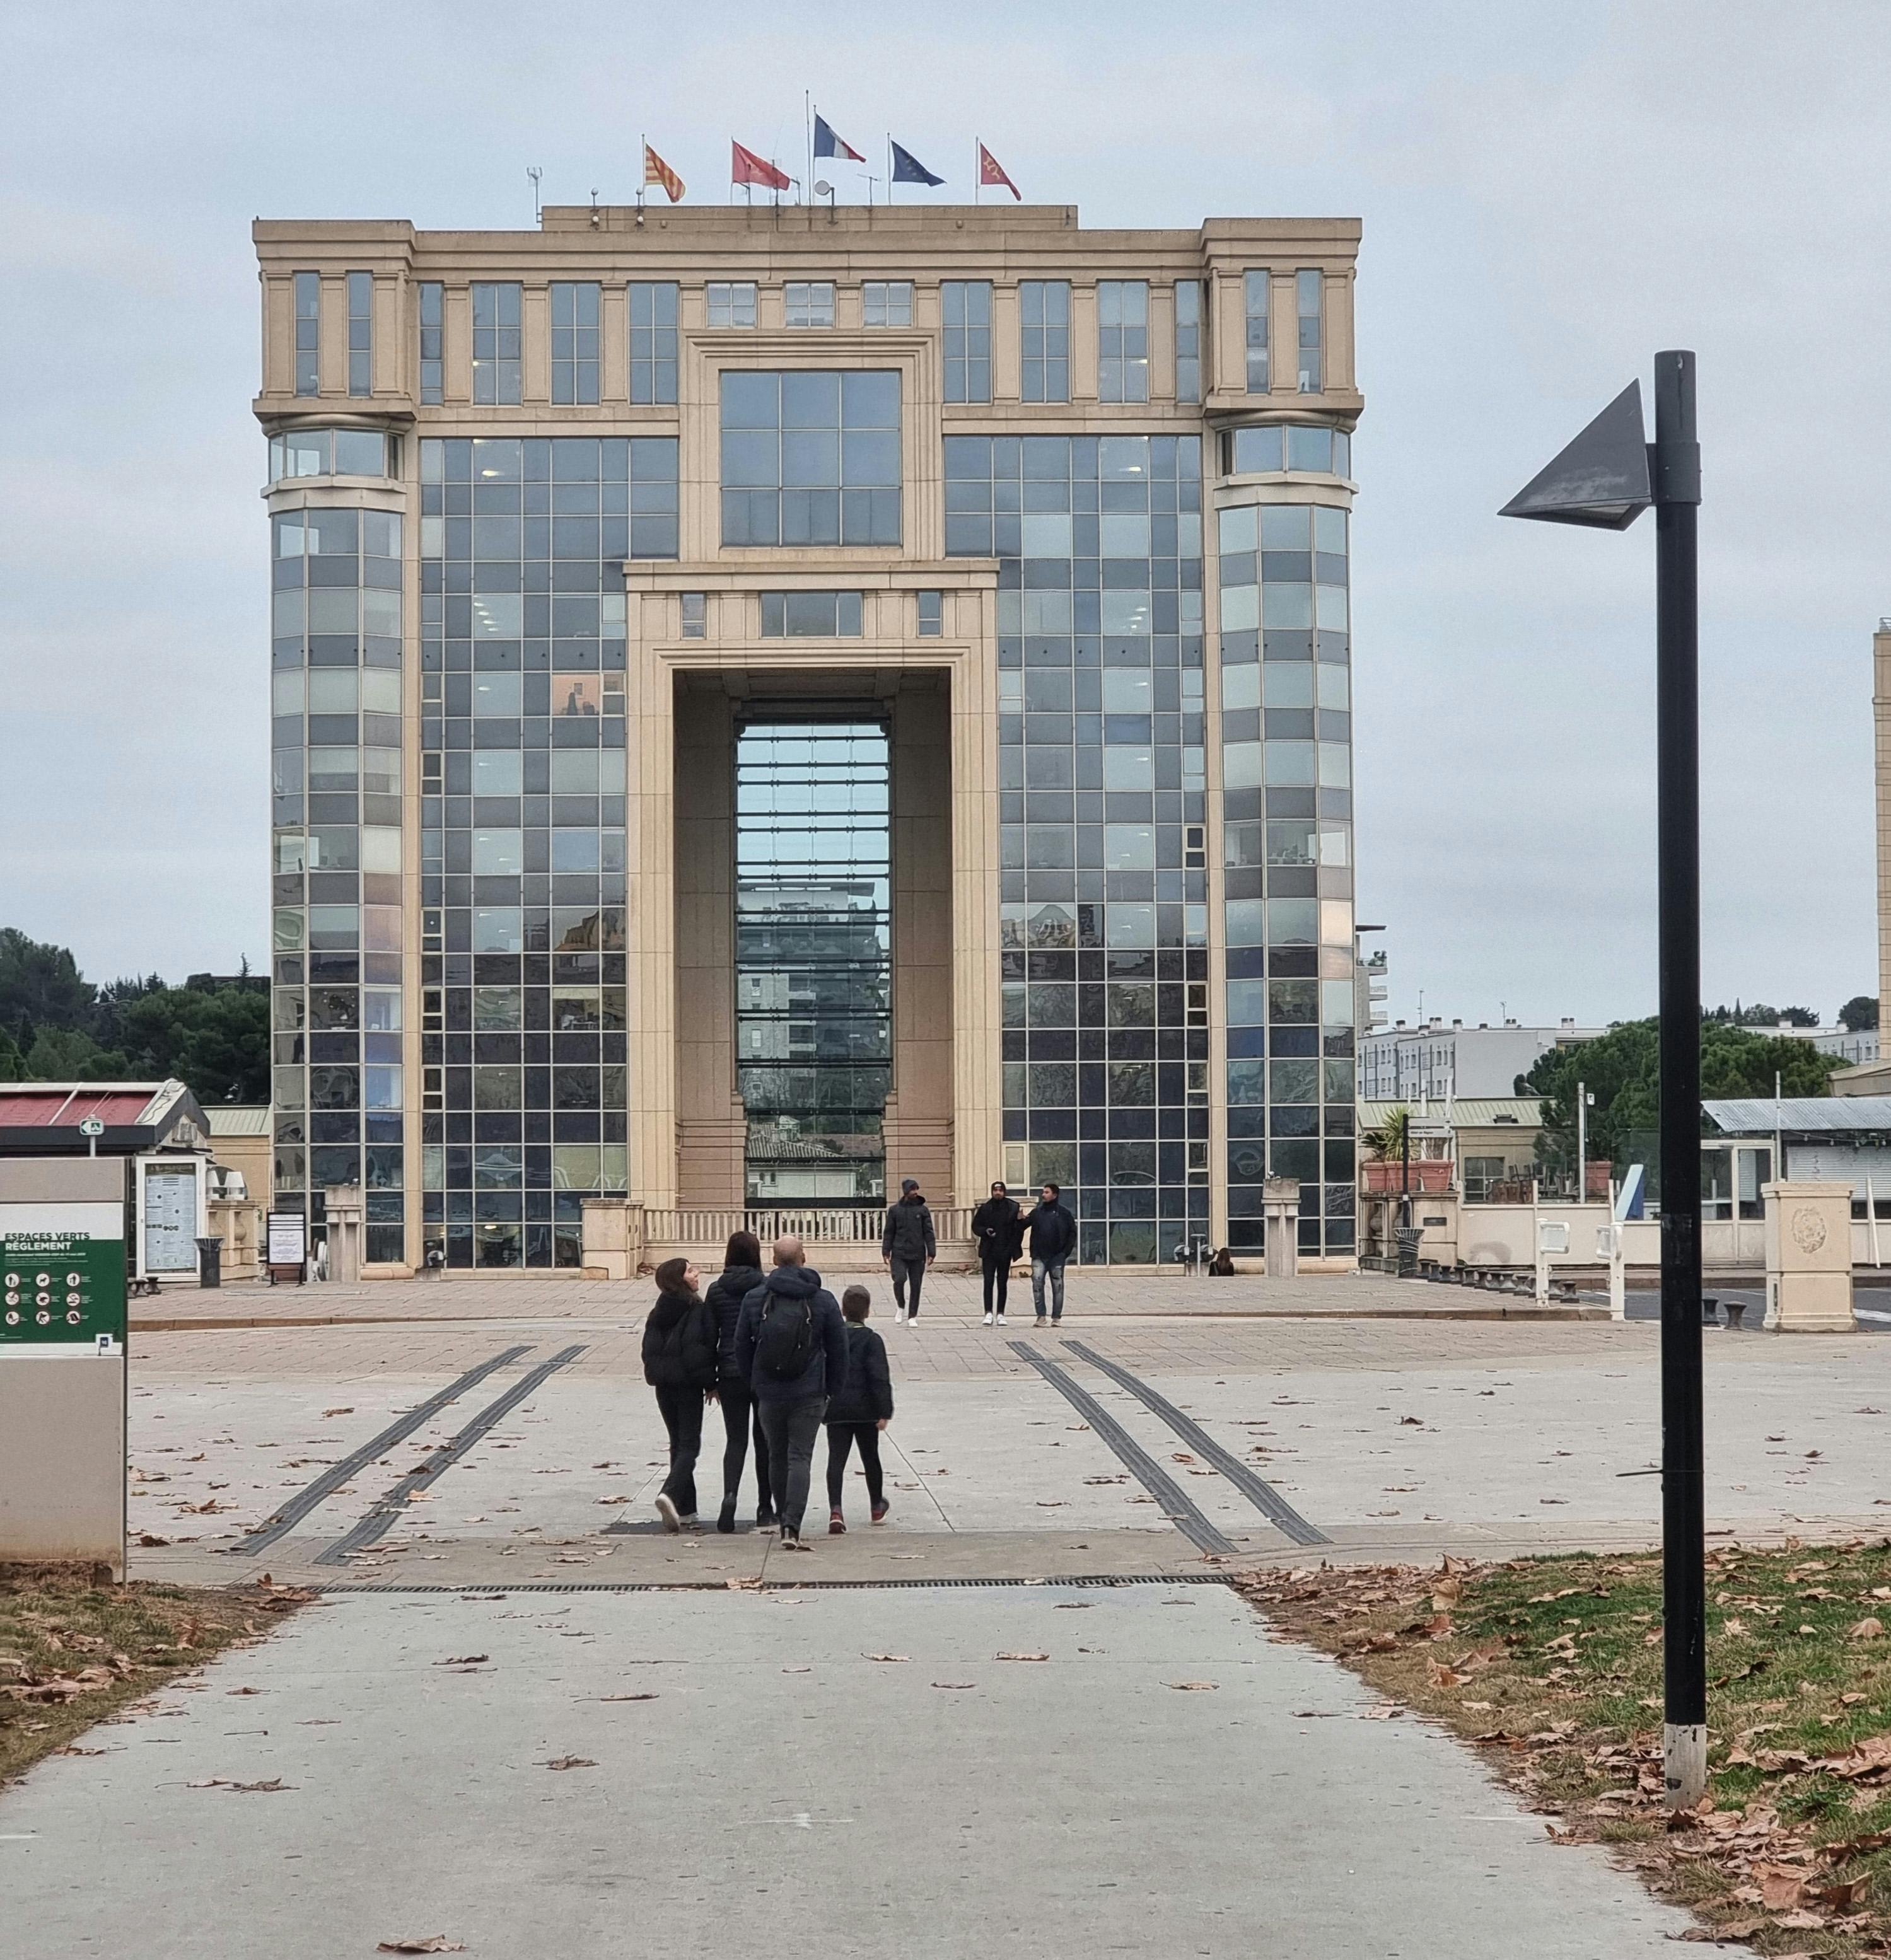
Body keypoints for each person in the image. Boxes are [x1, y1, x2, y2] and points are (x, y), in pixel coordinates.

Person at [735, 1235, 849, 1550]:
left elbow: (741, 1347)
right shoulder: (822, 1299)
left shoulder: (755, 1298)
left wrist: (754, 1382)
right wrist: (832, 1390)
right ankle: (791, 1525)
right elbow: (840, 1351)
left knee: (776, 1455)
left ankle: (782, 1511)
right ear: (804, 1258)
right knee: (800, 1456)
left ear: (773, 1261)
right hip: (810, 1390)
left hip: (769, 1391)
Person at [641, 1256, 719, 1531]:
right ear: (680, 1280)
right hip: (687, 1384)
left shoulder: (659, 1310)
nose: (697, 1274)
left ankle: (686, 1509)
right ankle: (670, 1493)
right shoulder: (696, 1308)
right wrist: (710, 1383)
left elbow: (648, 1350)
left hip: (664, 1385)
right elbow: (700, 1350)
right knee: (690, 1445)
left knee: (677, 1443)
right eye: (690, 1271)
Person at [704, 1229, 772, 1533]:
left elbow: (708, 1339)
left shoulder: (716, 1290)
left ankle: (729, 1497)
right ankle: (764, 1506)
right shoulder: (766, 1287)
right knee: (764, 1441)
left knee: (736, 1440)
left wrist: (710, 1382)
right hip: (761, 1371)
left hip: (729, 1372)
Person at [824, 1285, 893, 1534]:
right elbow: (879, 1377)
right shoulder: (872, 1340)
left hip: (837, 1409)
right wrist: (884, 1410)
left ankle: (836, 1509)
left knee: (836, 1460)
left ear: (843, 1310)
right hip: (866, 1410)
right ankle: (876, 1504)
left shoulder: (833, 1337)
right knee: (870, 1457)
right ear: (867, 1312)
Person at [1020, 1182, 1078, 1327]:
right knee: (1037, 1284)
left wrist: (1065, 1252)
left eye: (1046, 1192)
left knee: (1057, 1286)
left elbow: (1072, 1233)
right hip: (1039, 1255)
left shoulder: (1064, 1213)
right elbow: (1022, 1226)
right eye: (1043, 1192)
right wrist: (1019, 1219)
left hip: (1057, 1256)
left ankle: (1056, 1317)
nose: (1043, 1195)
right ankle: (1041, 1316)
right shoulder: (1037, 1212)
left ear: (1055, 1195)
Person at [880, 1178, 936, 1324]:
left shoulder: (922, 1210)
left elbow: (929, 1232)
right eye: (912, 1189)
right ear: (906, 1191)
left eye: (917, 1189)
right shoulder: (894, 1211)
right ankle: (900, 1306)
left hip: (918, 1253)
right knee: (899, 1279)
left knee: (916, 1285)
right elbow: (889, 1232)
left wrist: (932, 1252)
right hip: (899, 1252)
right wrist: (886, 1251)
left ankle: (912, 1316)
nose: (915, 1192)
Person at [971, 1180, 1023, 1326]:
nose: (998, 1193)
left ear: (1004, 1192)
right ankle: (988, 1312)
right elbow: (976, 1226)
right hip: (989, 1251)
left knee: (1002, 1283)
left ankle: (1001, 1313)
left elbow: (1018, 1229)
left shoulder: (1013, 1207)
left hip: (1005, 1251)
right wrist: (985, 1231)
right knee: (988, 1282)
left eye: (1000, 1190)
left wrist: (1022, 1221)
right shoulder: (986, 1208)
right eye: (995, 1190)